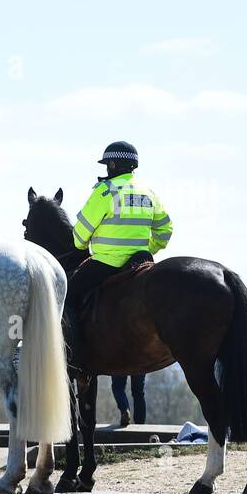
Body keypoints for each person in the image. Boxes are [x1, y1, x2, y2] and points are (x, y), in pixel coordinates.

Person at [65, 141, 173, 356]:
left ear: (112, 164)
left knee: (66, 297)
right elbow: (165, 230)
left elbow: (78, 238)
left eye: (107, 165)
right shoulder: (148, 192)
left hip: (107, 264)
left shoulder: (106, 191)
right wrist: (149, 246)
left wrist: (86, 243)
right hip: (141, 262)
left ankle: (75, 355)